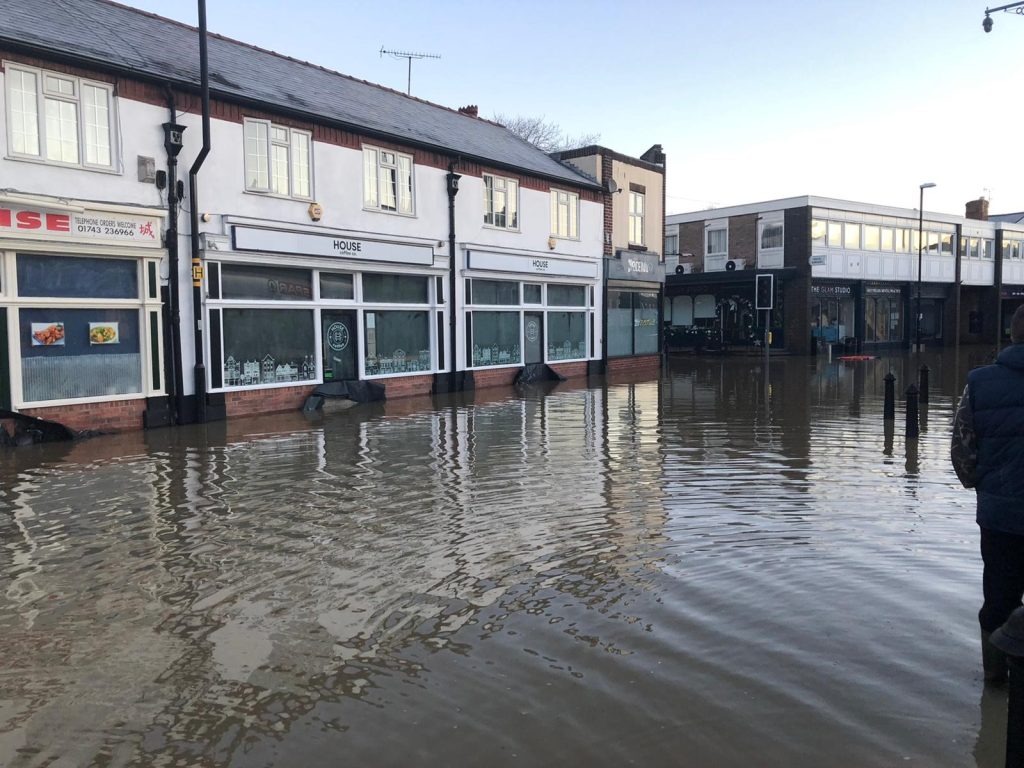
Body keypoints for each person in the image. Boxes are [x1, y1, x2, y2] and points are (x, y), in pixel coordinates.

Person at [952, 304, 1024, 684]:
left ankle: (995, 684)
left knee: (998, 599)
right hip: (1000, 509)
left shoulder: (980, 383)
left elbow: (962, 451)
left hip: (999, 517)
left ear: (1011, 335)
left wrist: (984, 486)